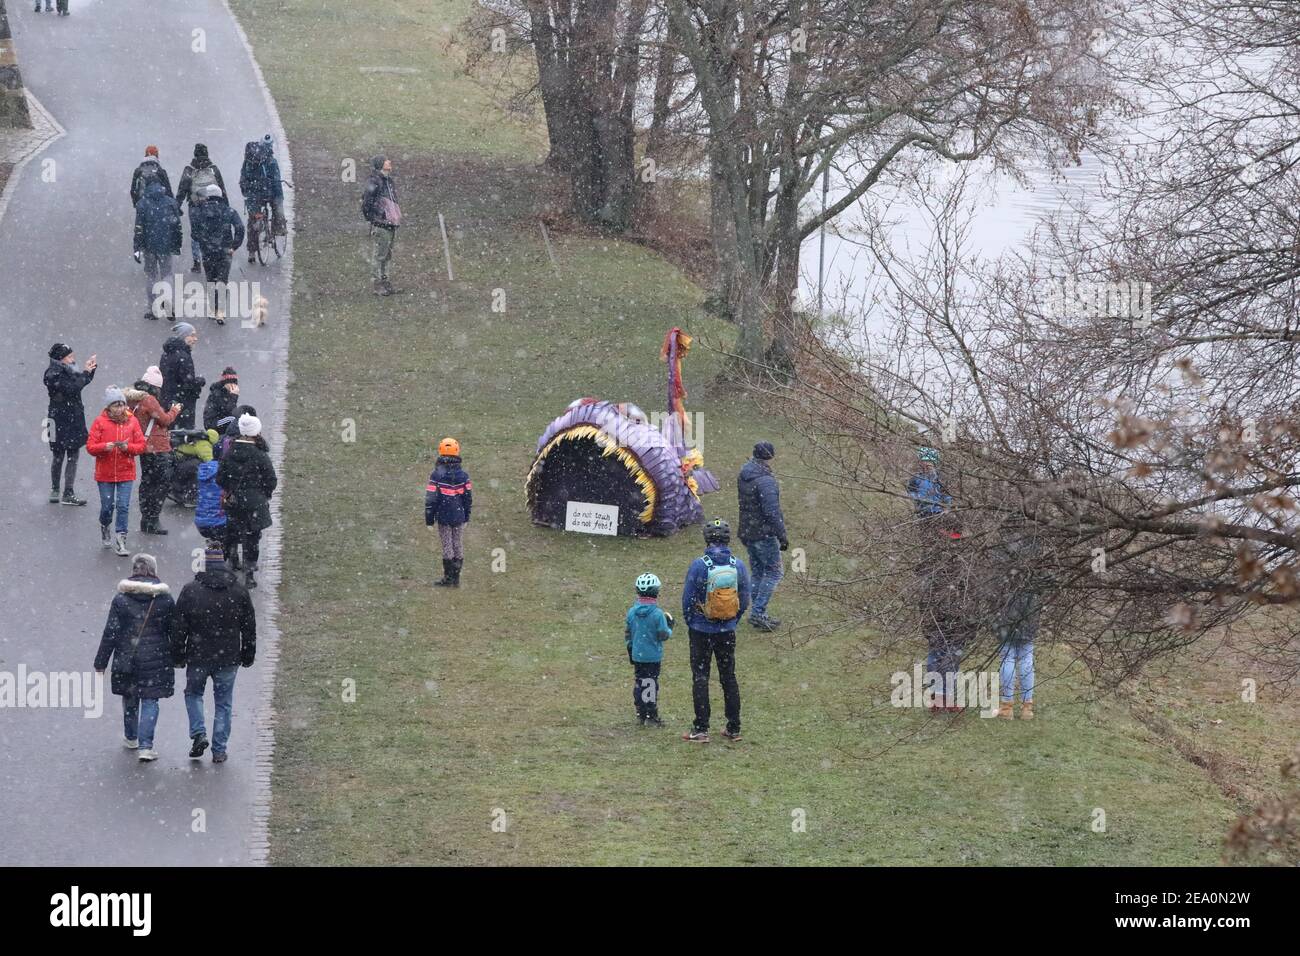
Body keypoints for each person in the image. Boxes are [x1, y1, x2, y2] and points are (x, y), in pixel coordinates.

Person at [172, 544, 257, 764]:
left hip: (198, 655)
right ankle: (219, 749)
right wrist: (248, 654)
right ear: (225, 564)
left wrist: (178, 655)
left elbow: (179, 626)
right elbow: (249, 627)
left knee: (193, 694)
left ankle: (199, 733)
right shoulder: (238, 591)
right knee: (223, 703)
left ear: (204, 564)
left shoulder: (190, 590)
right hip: (228, 657)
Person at [93, 553, 175, 762]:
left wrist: (101, 662)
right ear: (153, 571)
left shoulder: (121, 599)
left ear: (134, 571)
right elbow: (173, 630)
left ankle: (131, 737)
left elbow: (110, 632)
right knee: (150, 699)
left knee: (130, 696)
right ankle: (146, 747)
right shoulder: (164, 599)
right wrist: (177, 656)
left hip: (126, 655)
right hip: (155, 657)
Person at [681, 518, 751, 743]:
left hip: (701, 630)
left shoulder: (699, 565)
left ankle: (701, 729)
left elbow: (688, 598)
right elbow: (745, 596)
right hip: (727, 631)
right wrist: (733, 620)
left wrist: (692, 621)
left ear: (707, 539)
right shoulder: (738, 565)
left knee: (700, 677)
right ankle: (734, 727)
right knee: (728, 677)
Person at [915, 512, 974, 712]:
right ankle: (941, 697)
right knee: (947, 656)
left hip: (947, 613)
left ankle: (941, 697)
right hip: (947, 613)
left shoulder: (934, 553)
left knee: (941, 655)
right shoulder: (960, 555)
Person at [217, 413, 277, 588]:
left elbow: (220, 478)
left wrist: (230, 489)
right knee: (252, 538)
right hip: (254, 503)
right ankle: (249, 572)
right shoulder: (260, 455)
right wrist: (263, 494)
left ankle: (231, 560)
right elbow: (271, 480)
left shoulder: (229, 452)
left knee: (232, 532)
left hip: (234, 501)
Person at [86, 387, 146, 556]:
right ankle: (105, 526)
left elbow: (141, 445)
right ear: (109, 407)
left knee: (123, 506)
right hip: (105, 473)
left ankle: (121, 539)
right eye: (116, 405)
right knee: (107, 507)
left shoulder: (132, 421)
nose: (120, 408)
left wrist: (128, 447)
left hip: (126, 472)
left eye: (122, 405)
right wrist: (104, 447)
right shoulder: (100, 422)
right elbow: (90, 447)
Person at [737, 440, 789, 632]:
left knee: (758, 572)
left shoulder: (745, 474)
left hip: (748, 532)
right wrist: (782, 535)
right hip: (763, 534)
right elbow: (772, 512)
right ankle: (758, 613)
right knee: (774, 572)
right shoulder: (766, 481)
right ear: (770, 456)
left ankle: (756, 612)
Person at [124, 367, 181, 535]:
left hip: (145, 446)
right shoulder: (149, 399)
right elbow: (165, 420)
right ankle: (153, 518)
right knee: (161, 484)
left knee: (147, 482)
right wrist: (175, 410)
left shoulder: (134, 398)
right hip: (158, 447)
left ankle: (145, 519)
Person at [995, 519, 1042, 720]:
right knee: (1026, 660)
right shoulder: (1036, 547)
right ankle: (1027, 707)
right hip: (1029, 610)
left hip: (1006, 608)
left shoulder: (1000, 550)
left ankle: (1006, 706)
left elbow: (995, 582)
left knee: (1007, 658)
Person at [44, 342, 96, 506]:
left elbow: (79, 383)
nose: (73, 359)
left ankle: (58, 490)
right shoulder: (55, 374)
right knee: (66, 456)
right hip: (66, 419)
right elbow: (73, 388)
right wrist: (86, 372)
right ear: (61, 358)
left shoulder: (61, 371)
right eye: (70, 356)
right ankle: (65, 492)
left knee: (61, 455)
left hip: (62, 418)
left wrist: (89, 371)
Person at [190, 183, 245, 323]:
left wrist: (203, 242)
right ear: (220, 196)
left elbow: (194, 234)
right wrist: (234, 246)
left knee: (210, 280)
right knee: (222, 281)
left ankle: (212, 309)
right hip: (225, 251)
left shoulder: (199, 212)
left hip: (207, 251)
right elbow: (240, 228)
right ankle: (220, 312)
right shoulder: (229, 211)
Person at [625, 572, 673, 727]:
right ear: (656, 592)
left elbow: (628, 633)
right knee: (650, 683)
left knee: (640, 682)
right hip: (652, 656)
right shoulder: (658, 614)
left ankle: (640, 712)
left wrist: (630, 649)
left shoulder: (632, 612)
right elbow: (663, 635)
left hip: (638, 655)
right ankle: (651, 716)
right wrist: (670, 626)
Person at [424, 437, 472, 587]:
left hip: (443, 516)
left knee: (447, 546)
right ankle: (456, 579)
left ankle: (448, 578)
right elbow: (468, 498)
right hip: (458, 515)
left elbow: (431, 499)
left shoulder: (436, 475)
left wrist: (429, 519)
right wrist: (466, 517)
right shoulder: (464, 476)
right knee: (458, 544)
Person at [133, 179, 183, 320]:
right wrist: (177, 245)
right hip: (166, 245)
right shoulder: (171, 202)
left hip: (149, 246)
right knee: (167, 275)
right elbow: (177, 227)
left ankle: (153, 310)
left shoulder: (142, 204)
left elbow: (139, 228)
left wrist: (137, 248)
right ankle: (169, 305)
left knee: (151, 276)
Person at [177, 143, 228, 273]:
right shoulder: (213, 169)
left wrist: (176, 206)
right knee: (213, 230)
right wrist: (226, 206)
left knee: (195, 234)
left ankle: (197, 262)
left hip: (196, 206)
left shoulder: (189, 170)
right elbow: (222, 188)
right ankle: (213, 256)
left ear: (194, 154)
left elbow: (182, 189)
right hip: (213, 204)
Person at [239, 134, 285, 263]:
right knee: (277, 210)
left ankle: (252, 252)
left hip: (253, 195)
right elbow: (276, 181)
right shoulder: (271, 161)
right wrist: (279, 198)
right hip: (268, 193)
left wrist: (247, 192)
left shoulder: (248, 161)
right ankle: (278, 229)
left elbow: (243, 177)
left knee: (253, 221)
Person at [361, 155, 401, 295]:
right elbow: (366, 204)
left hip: (390, 224)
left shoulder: (388, 181)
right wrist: (375, 218)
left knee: (387, 255)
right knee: (379, 255)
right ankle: (377, 284)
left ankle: (385, 282)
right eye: (386, 160)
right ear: (380, 164)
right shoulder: (374, 181)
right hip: (382, 225)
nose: (389, 161)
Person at [159, 322, 205, 428]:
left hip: (168, 399)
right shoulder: (183, 356)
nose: (195, 339)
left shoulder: (166, 353)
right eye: (192, 335)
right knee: (183, 434)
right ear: (184, 336)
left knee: (170, 429)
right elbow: (188, 383)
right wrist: (200, 381)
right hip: (182, 402)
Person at [194, 439, 228, 545]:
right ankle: (228, 553)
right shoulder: (225, 471)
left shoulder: (203, 469)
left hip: (201, 523)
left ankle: (214, 549)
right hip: (221, 523)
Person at [907, 447, 952, 517]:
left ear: (935, 463)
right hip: (922, 511)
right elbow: (910, 491)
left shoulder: (940, 478)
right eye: (924, 461)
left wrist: (946, 508)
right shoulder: (916, 478)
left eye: (929, 461)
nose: (926, 464)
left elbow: (946, 495)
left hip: (939, 512)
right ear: (920, 462)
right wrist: (917, 497)